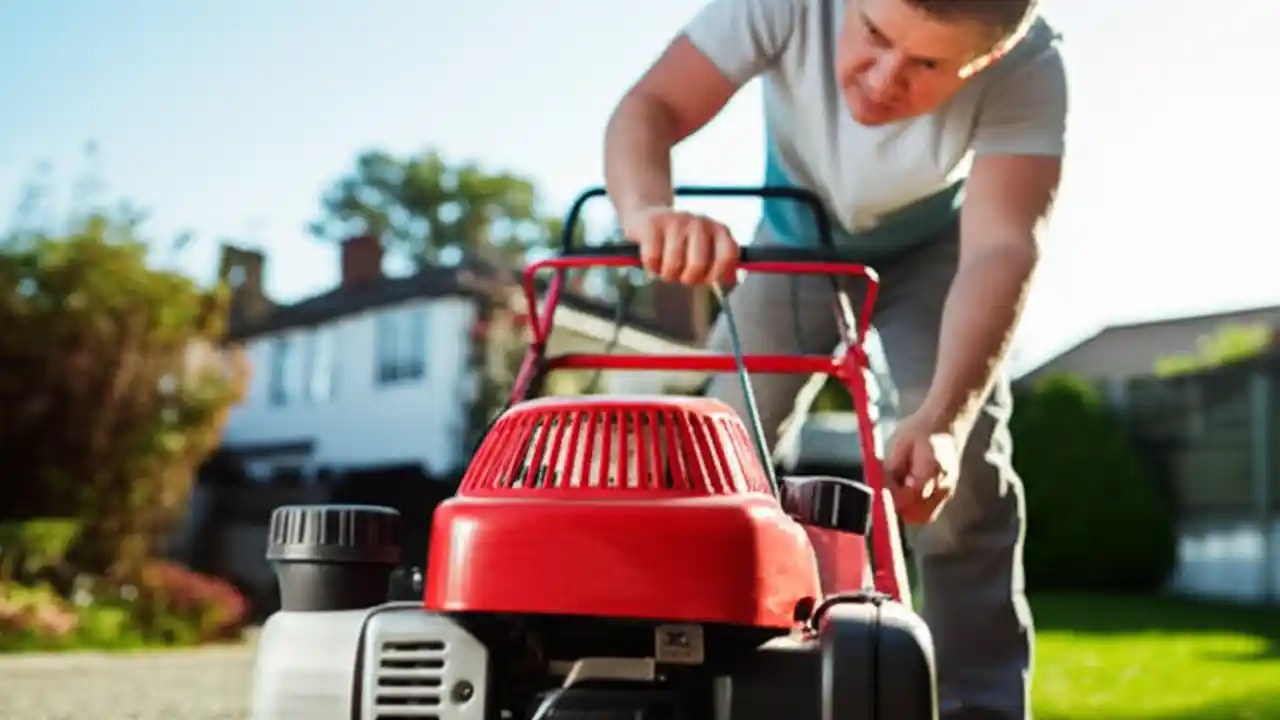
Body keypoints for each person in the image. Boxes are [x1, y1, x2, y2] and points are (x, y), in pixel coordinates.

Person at [601, 0, 1067, 717]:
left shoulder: (1032, 65)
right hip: (795, 236)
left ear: (990, 59)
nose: (883, 81)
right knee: (716, 451)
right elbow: (652, 105)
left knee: (964, 471)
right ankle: (683, 685)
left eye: (928, 64)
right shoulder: (782, 6)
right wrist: (648, 213)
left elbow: (1002, 248)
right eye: (874, 34)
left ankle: (982, 707)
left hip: (940, 253)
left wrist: (942, 417)